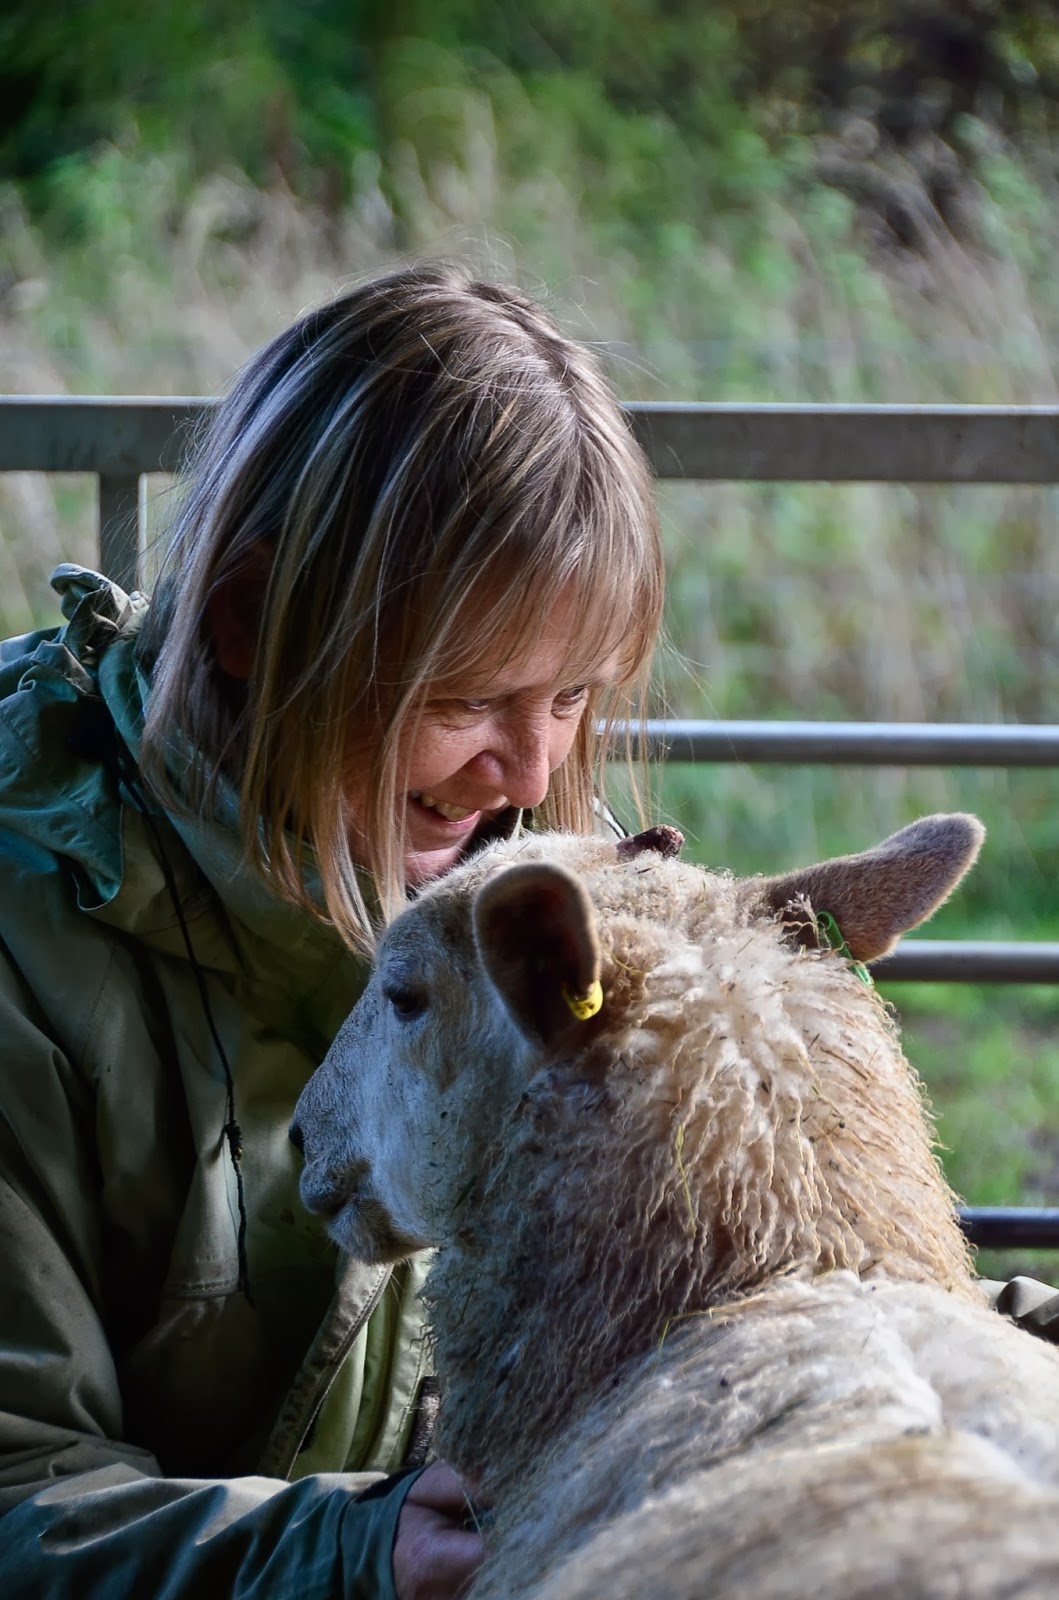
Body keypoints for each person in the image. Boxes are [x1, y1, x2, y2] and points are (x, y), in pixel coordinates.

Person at [0, 264, 664, 1598]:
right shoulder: (26, 952)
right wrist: (357, 1553)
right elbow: (18, 1493)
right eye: (466, 698)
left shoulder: (507, 868)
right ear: (251, 624)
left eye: (573, 695)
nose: (534, 772)